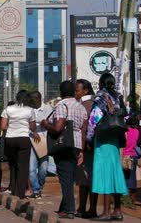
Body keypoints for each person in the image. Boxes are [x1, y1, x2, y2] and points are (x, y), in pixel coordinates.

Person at [41, 81, 87, 219]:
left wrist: (46, 124)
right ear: (74, 91)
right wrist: (82, 150)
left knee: (65, 178)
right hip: (77, 144)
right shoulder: (81, 107)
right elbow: (84, 129)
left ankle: (69, 210)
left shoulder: (62, 105)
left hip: (64, 144)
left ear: (61, 92)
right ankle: (64, 207)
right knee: (69, 176)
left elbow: (58, 127)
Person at [89, 73, 128, 221]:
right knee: (115, 171)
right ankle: (117, 210)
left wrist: (88, 138)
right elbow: (126, 114)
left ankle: (106, 211)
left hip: (103, 138)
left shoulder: (100, 97)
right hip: (115, 138)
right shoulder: (118, 97)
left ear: (101, 83)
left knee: (104, 173)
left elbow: (94, 119)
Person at [1, 90, 39, 199]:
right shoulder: (30, 110)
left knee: (13, 165)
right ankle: (20, 193)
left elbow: (3, 126)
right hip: (23, 139)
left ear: (17, 98)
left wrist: (12, 128)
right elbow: (32, 128)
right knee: (23, 167)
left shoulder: (8, 109)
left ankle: (13, 189)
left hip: (10, 139)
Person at [75, 79, 98, 219]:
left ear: (85, 91)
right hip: (94, 147)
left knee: (85, 180)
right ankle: (88, 208)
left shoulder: (85, 105)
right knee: (89, 180)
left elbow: (83, 129)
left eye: (77, 90)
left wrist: (81, 150)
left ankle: (86, 208)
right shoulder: (93, 104)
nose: (75, 93)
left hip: (86, 147)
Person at [27, 91, 53, 199]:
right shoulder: (29, 110)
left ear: (39, 98)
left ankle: (39, 187)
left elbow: (51, 124)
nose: (32, 101)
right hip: (32, 141)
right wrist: (33, 131)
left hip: (44, 142)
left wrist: (44, 124)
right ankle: (36, 190)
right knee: (31, 169)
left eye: (33, 99)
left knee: (43, 168)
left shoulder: (47, 109)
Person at [123, 116, 141, 207]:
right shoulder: (137, 132)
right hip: (133, 157)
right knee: (132, 180)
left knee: (123, 179)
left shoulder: (125, 131)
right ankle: (133, 201)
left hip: (124, 157)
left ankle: (124, 200)